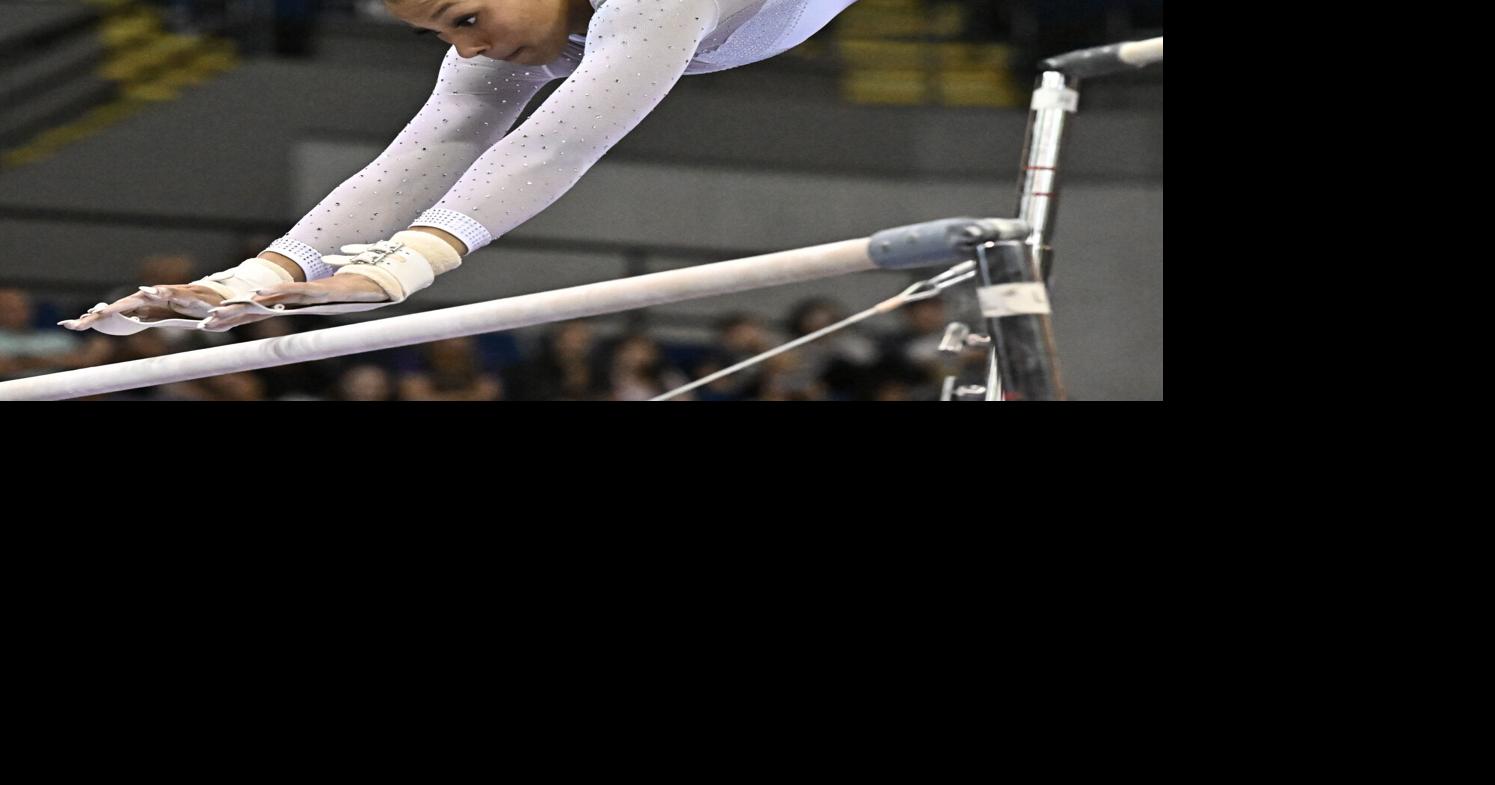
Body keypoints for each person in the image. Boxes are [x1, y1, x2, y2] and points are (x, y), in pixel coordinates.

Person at [62, 0, 860, 339]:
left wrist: (403, 268)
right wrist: (245, 281)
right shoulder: (516, 32)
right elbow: (421, 152)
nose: (466, 48)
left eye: (467, 17)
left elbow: (558, 141)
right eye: (437, 33)